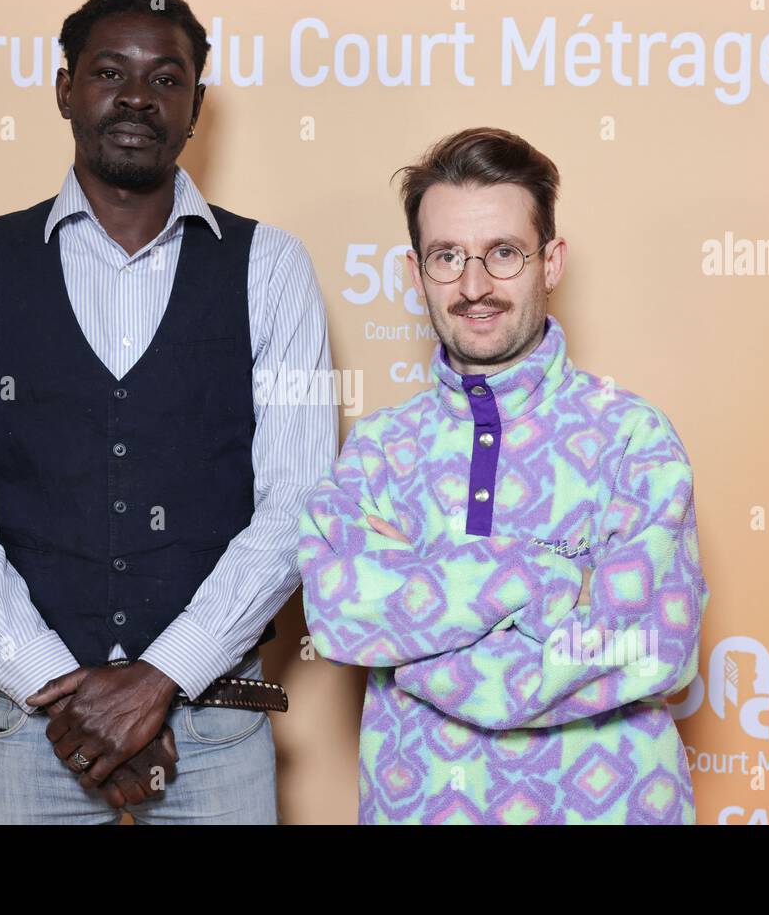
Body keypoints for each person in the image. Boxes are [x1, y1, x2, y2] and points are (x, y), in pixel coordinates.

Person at [0, 0, 336, 824]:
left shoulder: (273, 267)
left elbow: (301, 505)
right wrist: (65, 698)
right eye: (109, 71)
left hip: (214, 726)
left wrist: (160, 677)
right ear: (64, 87)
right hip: (32, 726)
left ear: (197, 106)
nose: (138, 95)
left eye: (167, 78)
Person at [298, 127, 709, 824]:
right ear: (414, 271)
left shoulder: (632, 437)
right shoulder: (377, 450)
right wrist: (551, 577)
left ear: (551, 263)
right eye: (447, 256)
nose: (474, 286)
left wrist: (414, 640)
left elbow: (653, 646)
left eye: (504, 254)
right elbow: (339, 616)